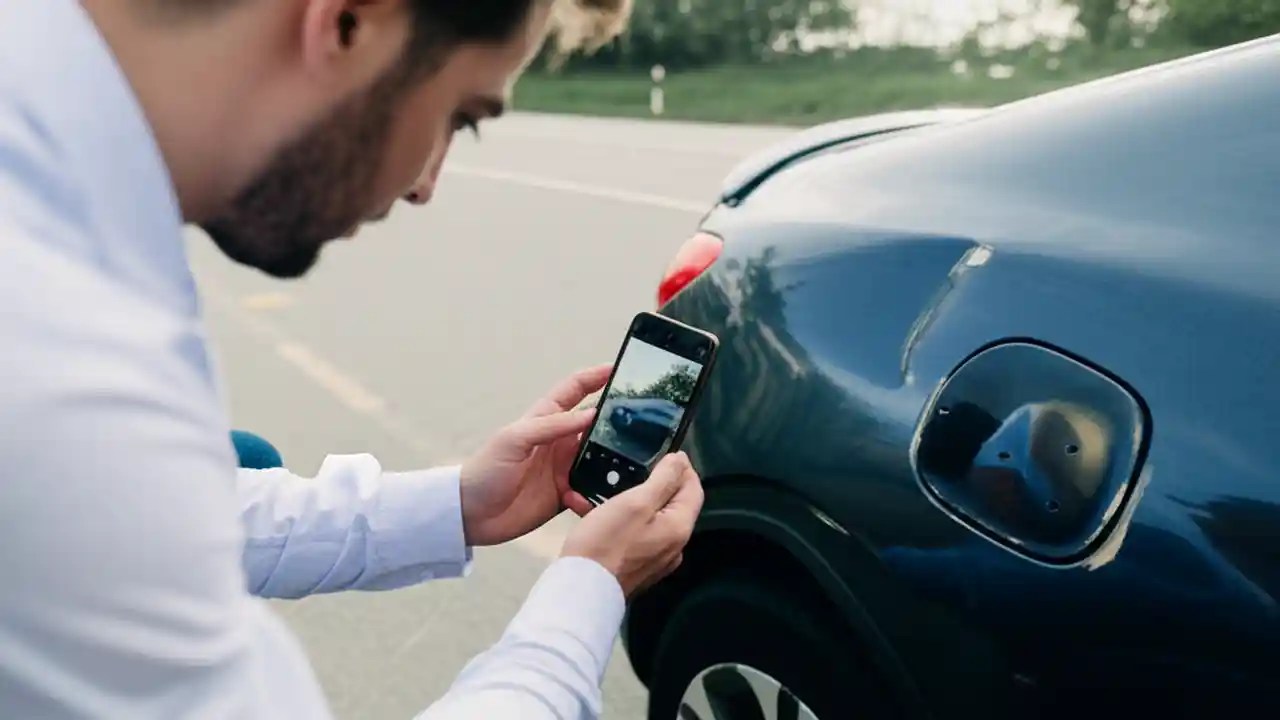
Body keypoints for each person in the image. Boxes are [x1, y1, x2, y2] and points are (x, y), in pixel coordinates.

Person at [0, 0, 705, 718]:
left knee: (243, 458)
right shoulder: (57, 357)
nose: (425, 185)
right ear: (348, 22)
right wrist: (588, 591)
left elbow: (140, 519)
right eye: (458, 117)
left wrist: (456, 503)